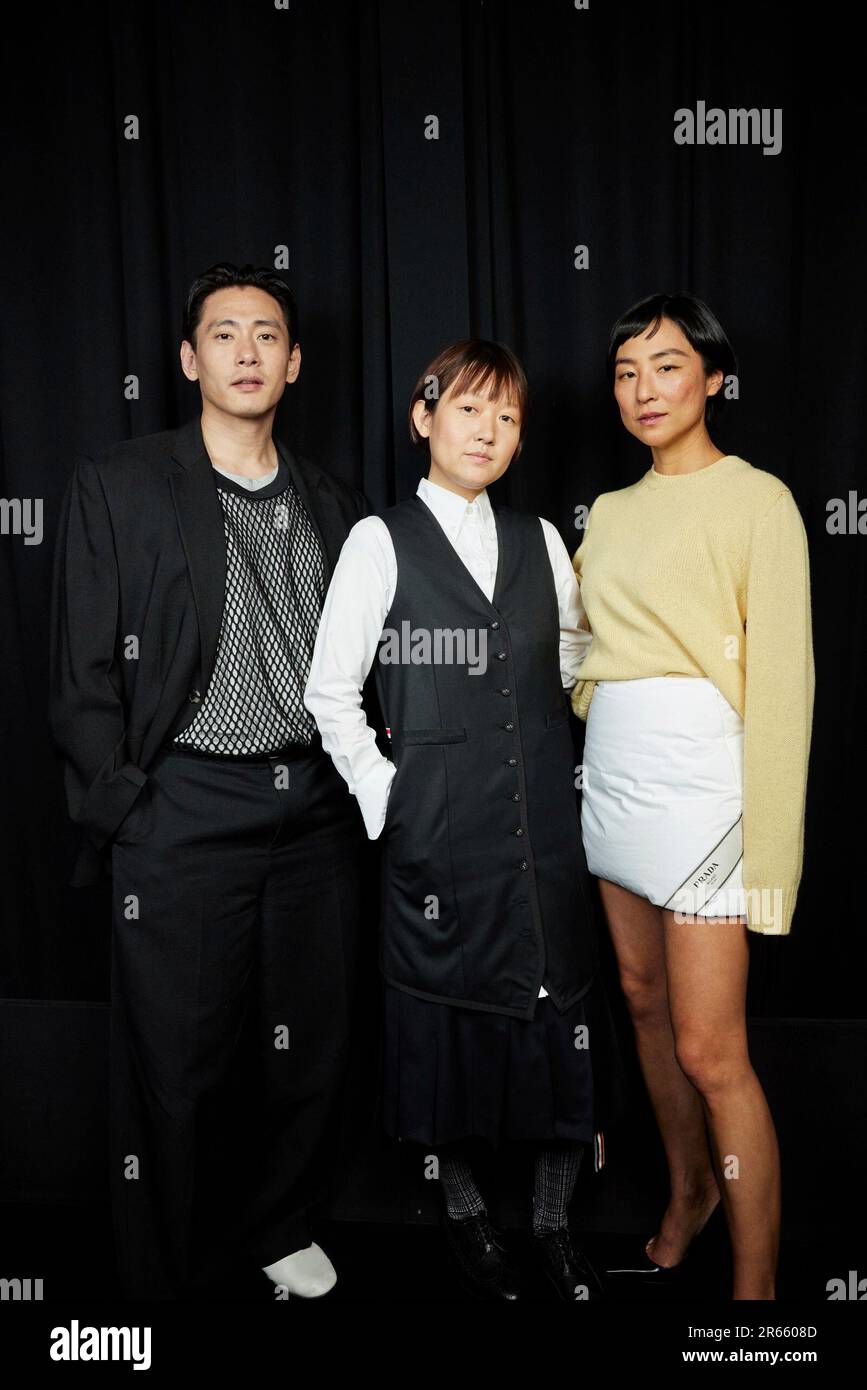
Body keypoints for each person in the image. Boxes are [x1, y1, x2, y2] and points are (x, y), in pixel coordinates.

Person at [49, 262, 368, 1300]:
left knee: (306, 1051)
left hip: (311, 812)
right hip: (182, 807)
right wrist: (128, 806)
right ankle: (163, 1262)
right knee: (174, 1062)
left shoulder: (333, 499)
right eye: (223, 333)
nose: (245, 350)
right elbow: (81, 671)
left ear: (295, 362)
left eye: (266, 333)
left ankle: (279, 1227)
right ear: (190, 360)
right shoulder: (122, 481)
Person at [304, 338, 624, 1301]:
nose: (488, 430)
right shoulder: (379, 540)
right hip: (436, 841)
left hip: (542, 839)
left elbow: (573, 673)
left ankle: (557, 1226)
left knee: (555, 1017)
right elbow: (328, 691)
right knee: (445, 1035)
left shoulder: (539, 544)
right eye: (469, 409)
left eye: (509, 416)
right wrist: (385, 793)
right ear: (423, 417)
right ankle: (470, 1220)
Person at [572, 291, 814, 1300]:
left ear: (712, 376)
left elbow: (787, 687)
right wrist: (592, 689)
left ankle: (755, 1295)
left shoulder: (762, 501)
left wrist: (773, 857)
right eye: (626, 371)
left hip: (710, 785)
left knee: (711, 1048)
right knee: (639, 1002)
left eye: (665, 366)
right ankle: (686, 1195)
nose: (642, 389)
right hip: (616, 775)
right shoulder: (613, 511)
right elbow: (580, 642)